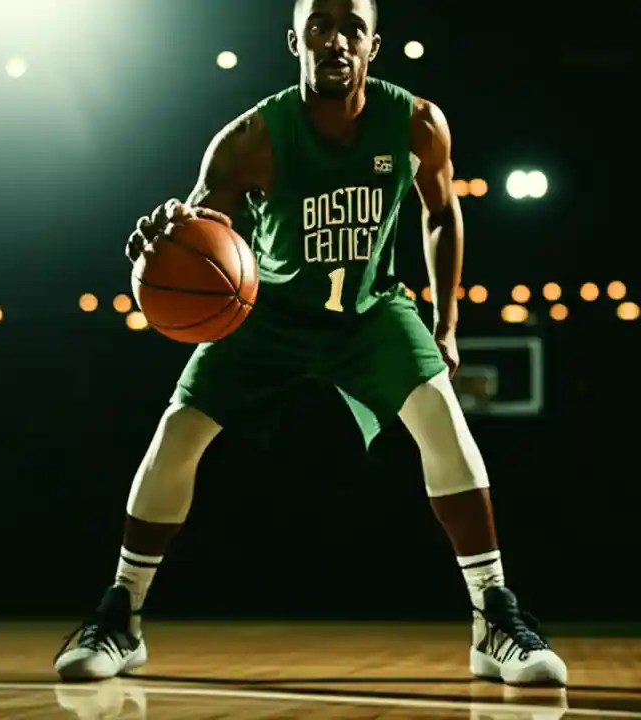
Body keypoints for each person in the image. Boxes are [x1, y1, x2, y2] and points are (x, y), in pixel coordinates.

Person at [53, 0, 567, 687]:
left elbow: (442, 213)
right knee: (177, 433)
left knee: (444, 423)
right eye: (320, 25)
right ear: (294, 38)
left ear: (374, 45)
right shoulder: (250, 139)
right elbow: (200, 224)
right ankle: (121, 615)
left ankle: (494, 618)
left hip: (371, 309)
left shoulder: (415, 122)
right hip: (268, 311)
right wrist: (164, 241)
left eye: (351, 26)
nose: (336, 39)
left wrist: (445, 325)